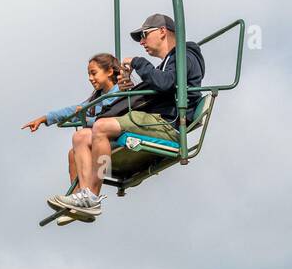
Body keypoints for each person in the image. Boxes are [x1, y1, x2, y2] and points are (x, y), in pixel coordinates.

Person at [47, 13, 204, 220]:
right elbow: (159, 85)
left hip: (167, 123)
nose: (142, 42)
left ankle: (92, 197)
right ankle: (81, 197)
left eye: (145, 35)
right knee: (81, 137)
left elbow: (165, 83)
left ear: (163, 32)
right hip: (151, 119)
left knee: (101, 127)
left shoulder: (184, 56)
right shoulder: (168, 62)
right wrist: (128, 86)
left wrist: (138, 62)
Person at [23, 52, 128, 224]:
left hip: (117, 134)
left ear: (109, 71)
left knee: (80, 136)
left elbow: (114, 116)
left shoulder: (120, 91)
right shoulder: (99, 98)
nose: (90, 78)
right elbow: (73, 110)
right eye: (89, 74)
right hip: (105, 137)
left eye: (93, 73)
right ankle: (76, 200)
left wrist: (86, 119)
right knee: (73, 154)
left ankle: (88, 196)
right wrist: (45, 118)